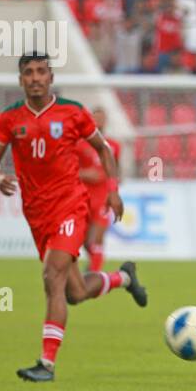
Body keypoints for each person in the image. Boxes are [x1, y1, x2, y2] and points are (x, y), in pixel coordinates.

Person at [0, 54, 147, 382]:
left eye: (41, 71)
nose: (35, 78)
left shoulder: (73, 112)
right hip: (36, 214)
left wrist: (113, 190)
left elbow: (104, 149)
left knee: (52, 275)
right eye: (28, 72)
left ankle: (46, 364)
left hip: (71, 206)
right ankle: (123, 278)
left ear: (50, 77)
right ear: (20, 80)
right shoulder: (9, 119)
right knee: (74, 292)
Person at [77, 107, 121, 272]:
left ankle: (95, 273)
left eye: (102, 118)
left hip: (103, 198)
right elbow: (70, 168)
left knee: (97, 239)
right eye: (96, 118)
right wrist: (84, 174)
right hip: (83, 197)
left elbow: (116, 169)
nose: (99, 122)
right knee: (85, 241)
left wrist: (114, 188)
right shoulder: (79, 145)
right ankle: (93, 268)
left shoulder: (114, 146)